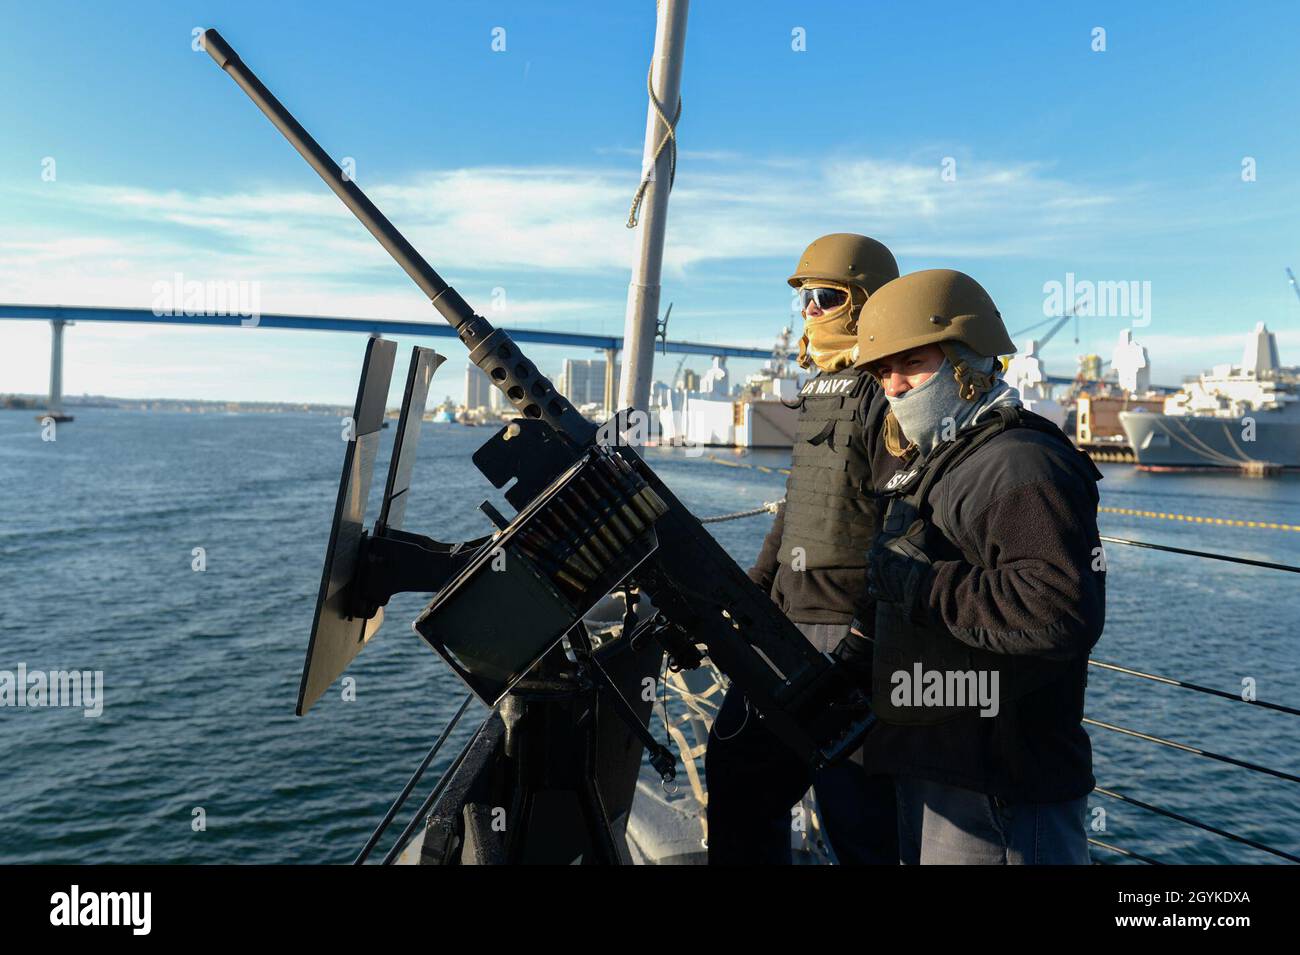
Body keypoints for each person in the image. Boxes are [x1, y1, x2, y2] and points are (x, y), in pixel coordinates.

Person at [848, 268, 1106, 864]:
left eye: (912, 361)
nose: (895, 386)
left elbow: (1058, 607)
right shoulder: (944, 461)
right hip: (945, 764)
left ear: (968, 358)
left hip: (1001, 787)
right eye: (881, 371)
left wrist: (921, 586)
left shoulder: (1020, 463)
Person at [705, 233, 902, 864]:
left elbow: (905, 527)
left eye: (825, 296)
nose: (809, 310)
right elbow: (797, 511)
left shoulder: (885, 395)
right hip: (788, 625)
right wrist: (753, 592)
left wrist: (866, 639)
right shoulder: (821, 389)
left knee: (859, 823)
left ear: (866, 304)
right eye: (803, 298)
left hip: (845, 636)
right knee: (739, 775)